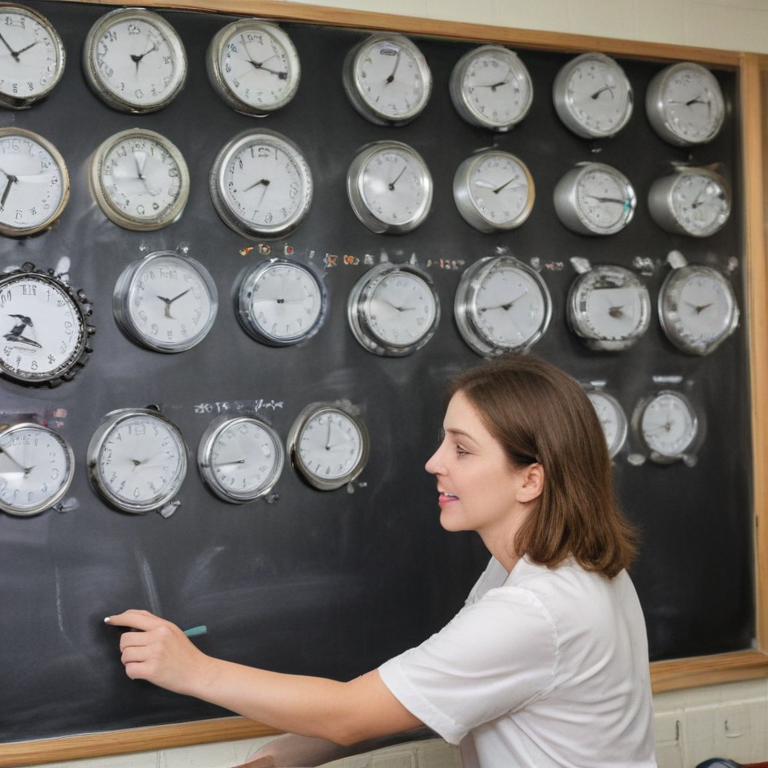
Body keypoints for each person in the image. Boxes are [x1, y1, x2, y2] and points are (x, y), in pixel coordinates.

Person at [106, 354, 657, 768]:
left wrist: (193, 670)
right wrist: (286, 757)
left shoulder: (535, 610)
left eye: (462, 450)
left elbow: (352, 713)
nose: (434, 463)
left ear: (530, 478)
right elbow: (423, 698)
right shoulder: (565, 566)